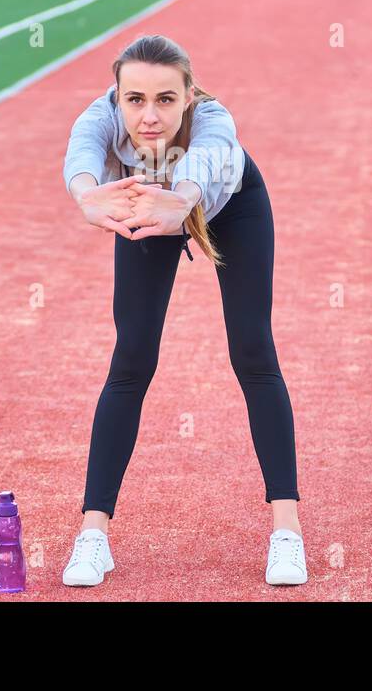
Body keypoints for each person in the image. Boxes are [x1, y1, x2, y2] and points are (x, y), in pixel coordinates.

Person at [60, 34, 306, 586]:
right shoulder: (102, 116)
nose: (149, 116)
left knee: (253, 352)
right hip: (149, 204)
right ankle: (92, 536)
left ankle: (287, 533)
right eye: (135, 99)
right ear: (117, 98)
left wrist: (182, 198)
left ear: (189, 95)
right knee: (131, 361)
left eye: (166, 99)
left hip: (229, 208)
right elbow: (81, 152)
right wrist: (85, 193)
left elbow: (205, 161)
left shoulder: (215, 120)